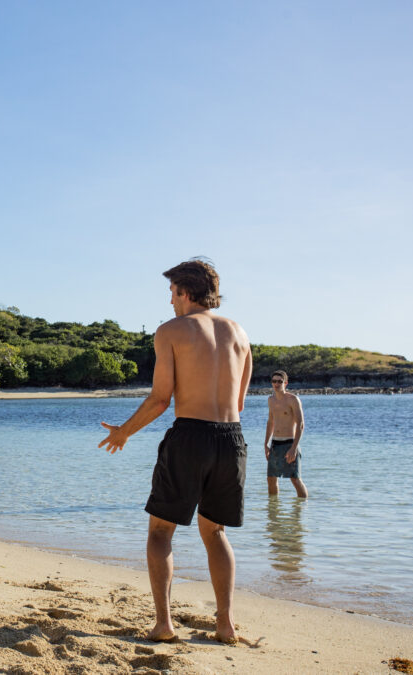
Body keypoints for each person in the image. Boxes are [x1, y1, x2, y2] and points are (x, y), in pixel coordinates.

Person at [98, 259, 251, 644]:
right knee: (215, 532)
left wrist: (123, 432)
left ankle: (164, 624)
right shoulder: (239, 333)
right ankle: (225, 624)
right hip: (232, 440)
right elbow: (241, 403)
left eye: (171, 292)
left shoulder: (171, 332)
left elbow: (160, 399)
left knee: (160, 532)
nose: (169, 300)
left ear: (184, 292)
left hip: (190, 437)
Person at [264, 370, 308, 497]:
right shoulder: (271, 400)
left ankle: (302, 510)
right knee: (271, 479)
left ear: (285, 383)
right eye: (274, 381)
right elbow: (270, 422)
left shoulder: (293, 400)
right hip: (275, 444)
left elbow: (300, 425)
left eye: (280, 381)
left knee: (295, 479)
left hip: (289, 443)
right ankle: (273, 511)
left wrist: (294, 448)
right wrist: (266, 444)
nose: (276, 384)